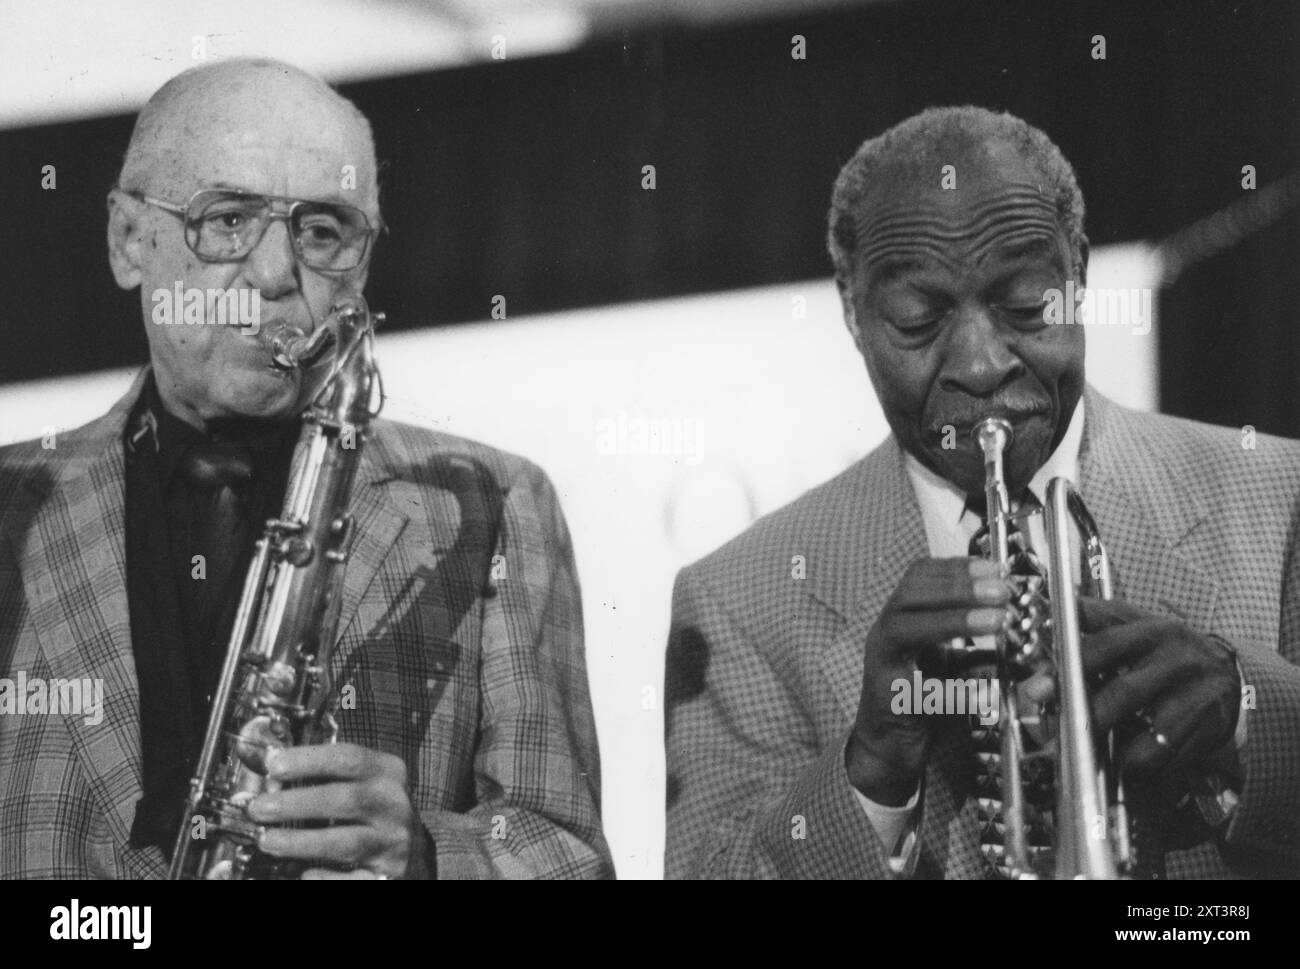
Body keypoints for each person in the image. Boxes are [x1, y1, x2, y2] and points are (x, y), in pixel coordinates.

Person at [0, 57, 612, 880]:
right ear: (127, 241)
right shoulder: (13, 508)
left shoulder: (494, 501)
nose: (277, 275)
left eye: (324, 231)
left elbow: (568, 854)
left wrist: (430, 855)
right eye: (227, 220)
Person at [663, 106, 1300, 879]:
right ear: (852, 313)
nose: (980, 362)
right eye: (917, 319)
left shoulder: (1280, 495)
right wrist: (872, 766)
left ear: (1080, 274)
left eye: (1026, 305)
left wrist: (1246, 715)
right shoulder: (738, 598)